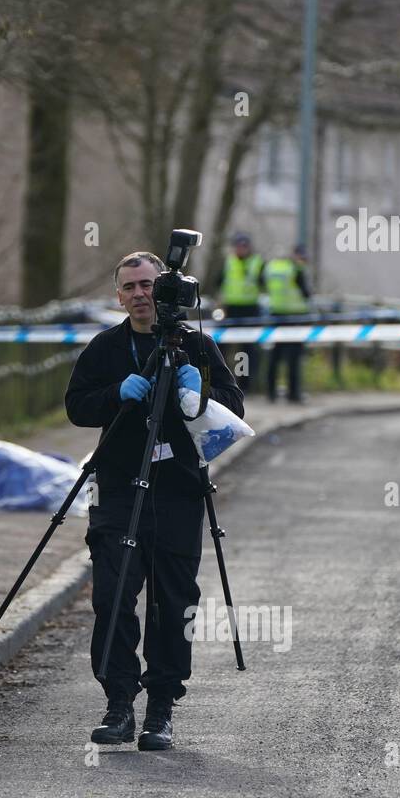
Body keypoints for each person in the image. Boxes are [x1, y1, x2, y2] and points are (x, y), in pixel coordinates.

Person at [65, 251, 243, 751]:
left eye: (148, 285)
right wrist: (116, 394)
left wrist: (199, 389)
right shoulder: (105, 348)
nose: (140, 295)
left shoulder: (197, 345)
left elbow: (235, 409)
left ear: (165, 291)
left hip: (179, 487)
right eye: (130, 288)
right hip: (119, 483)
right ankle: (118, 702)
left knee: (173, 600)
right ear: (118, 296)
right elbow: (77, 405)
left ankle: (161, 707)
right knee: (114, 594)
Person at [211, 231, 263, 390]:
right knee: (221, 346)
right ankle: (221, 381)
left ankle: (244, 385)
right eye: (238, 246)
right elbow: (218, 283)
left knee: (247, 350)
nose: (240, 249)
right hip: (230, 309)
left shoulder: (257, 263)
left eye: (243, 246)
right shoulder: (228, 262)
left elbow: (264, 283)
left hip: (250, 309)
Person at [262, 243, 312, 403]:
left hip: (276, 313)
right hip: (296, 317)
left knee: (275, 356)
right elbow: (306, 293)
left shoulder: (272, 267)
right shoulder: (295, 270)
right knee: (294, 358)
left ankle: (270, 393)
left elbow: (263, 285)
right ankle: (293, 394)